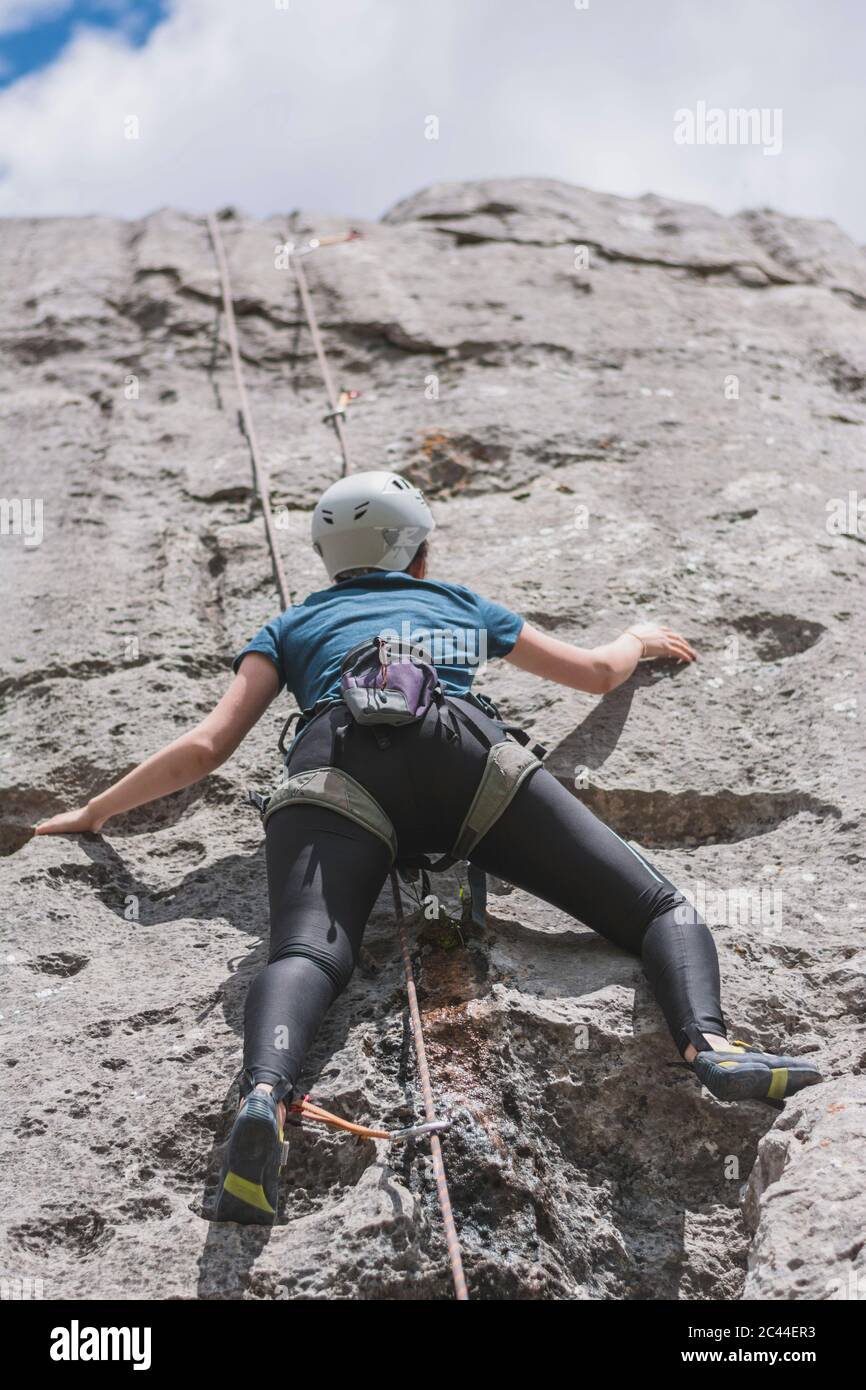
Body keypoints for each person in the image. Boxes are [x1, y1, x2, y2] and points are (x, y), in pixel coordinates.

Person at [35, 470, 822, 1225]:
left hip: (335, 770)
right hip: (466, 763)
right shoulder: (457, 602)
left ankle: (265, 1097)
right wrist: (638, 639)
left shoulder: (292, 624)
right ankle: (711, 1046)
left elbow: (207, 748)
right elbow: (593, 675)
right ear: (417, 549)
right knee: (656, 907)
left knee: (306, 950)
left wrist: (94, 811)